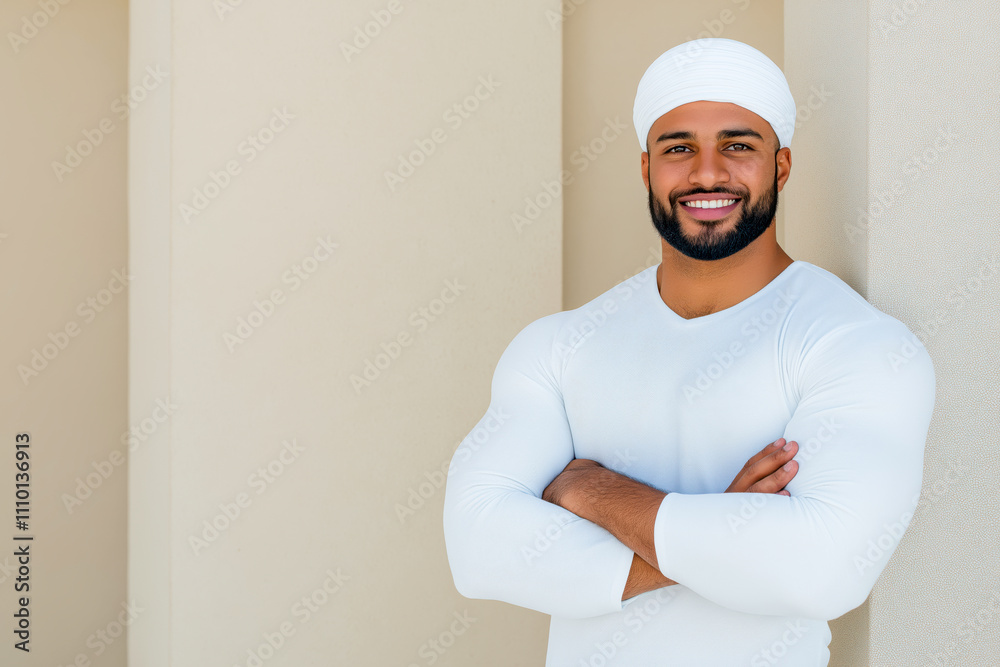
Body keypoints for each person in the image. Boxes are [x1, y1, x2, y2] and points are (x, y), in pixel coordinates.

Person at [442, 37, 935, 666]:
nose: (707, 173)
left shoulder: (857, 344)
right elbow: (479, 550)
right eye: (679, 149)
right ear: (646, 168)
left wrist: (597, 495)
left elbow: (823, 569)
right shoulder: (561, 344)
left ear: (781, 166)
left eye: (738, 146)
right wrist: (726, 528)